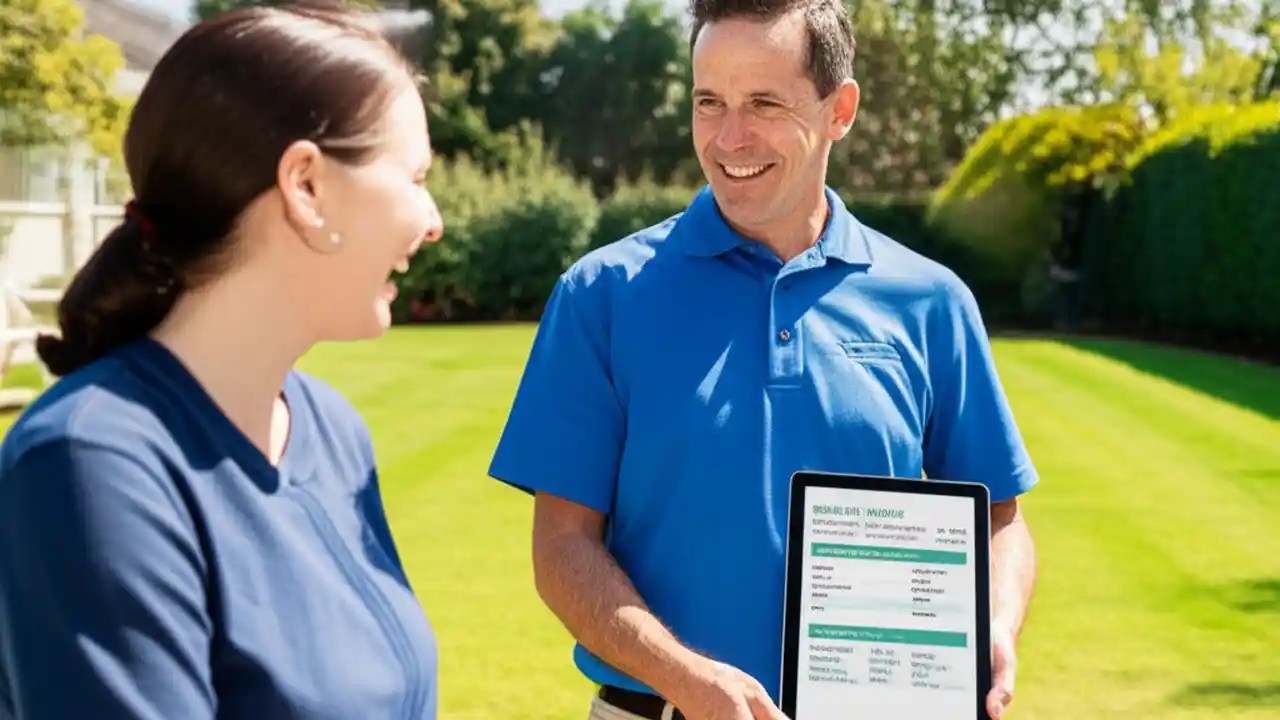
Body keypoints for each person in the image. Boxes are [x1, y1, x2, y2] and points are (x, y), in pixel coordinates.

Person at [487, 1, 1038, 719]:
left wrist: (990, 622)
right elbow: (562, 550)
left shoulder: (932, 301)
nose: (729, 137)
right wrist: (685, 676)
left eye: (764, 103)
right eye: (708, 102)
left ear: (839, 110)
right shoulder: (602, 295)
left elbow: (1001, 517)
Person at [0, 4, 444, 718]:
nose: (433, 221)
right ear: (305, 186)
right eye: (415, 177)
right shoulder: (91, 466)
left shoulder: (333, 433)